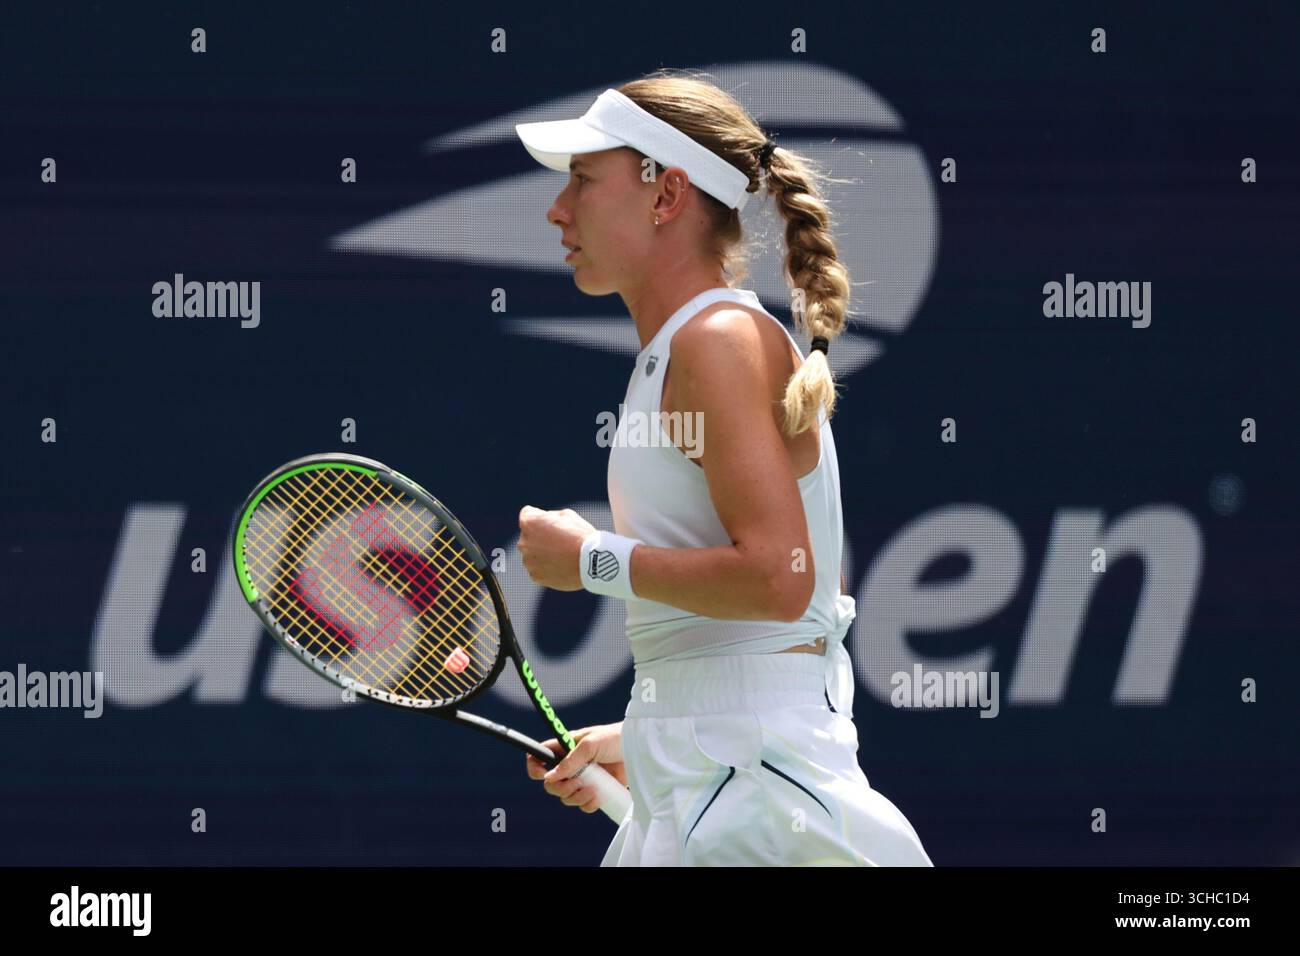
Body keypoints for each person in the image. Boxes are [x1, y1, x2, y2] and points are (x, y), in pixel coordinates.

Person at [512, 70, 932, 866]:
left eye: (583, 180)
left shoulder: (717, 342)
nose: (558, 210)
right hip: (722, 772)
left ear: (664, 196)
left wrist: (591, 561)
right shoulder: (680, 350)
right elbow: (752, 645)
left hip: (759, 792)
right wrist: (642, 739)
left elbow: (781, 580)